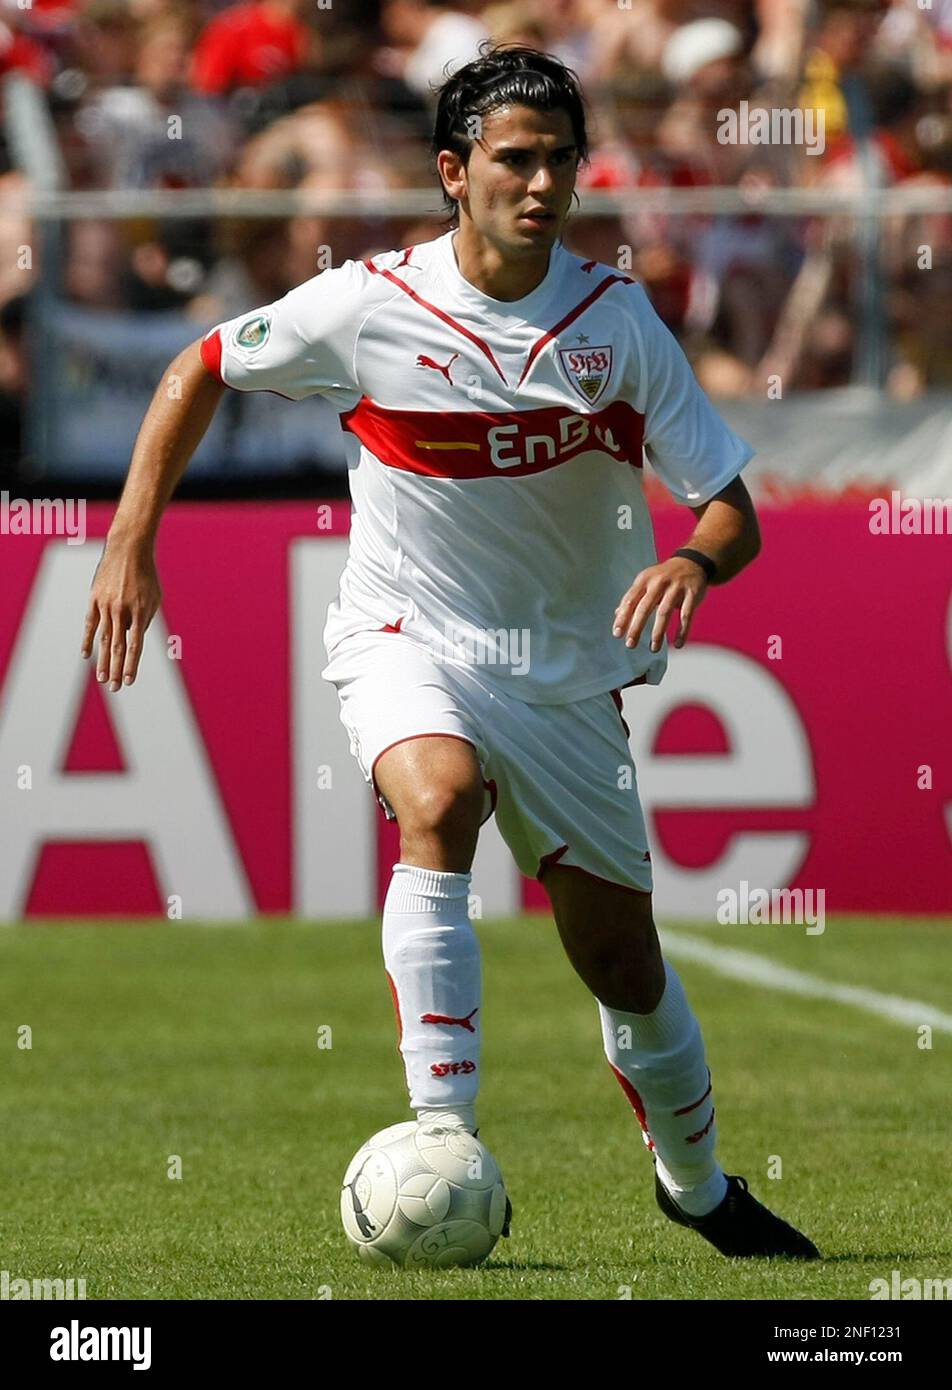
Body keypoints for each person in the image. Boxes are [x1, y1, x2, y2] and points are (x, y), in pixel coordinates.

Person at [82, 43, 820, 1260]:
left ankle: (698, 1191)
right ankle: (442, 1134)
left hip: (565, 675)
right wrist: (128, 541)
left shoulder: (615, 322)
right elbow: (197, 366)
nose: (541, 184)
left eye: (559, 161)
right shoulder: (369, 303)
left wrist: (693, 559)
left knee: (623, 966)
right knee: (440, 796)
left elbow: (729, 500)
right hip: (403, 632)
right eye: (514, 160)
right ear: (452, 172)